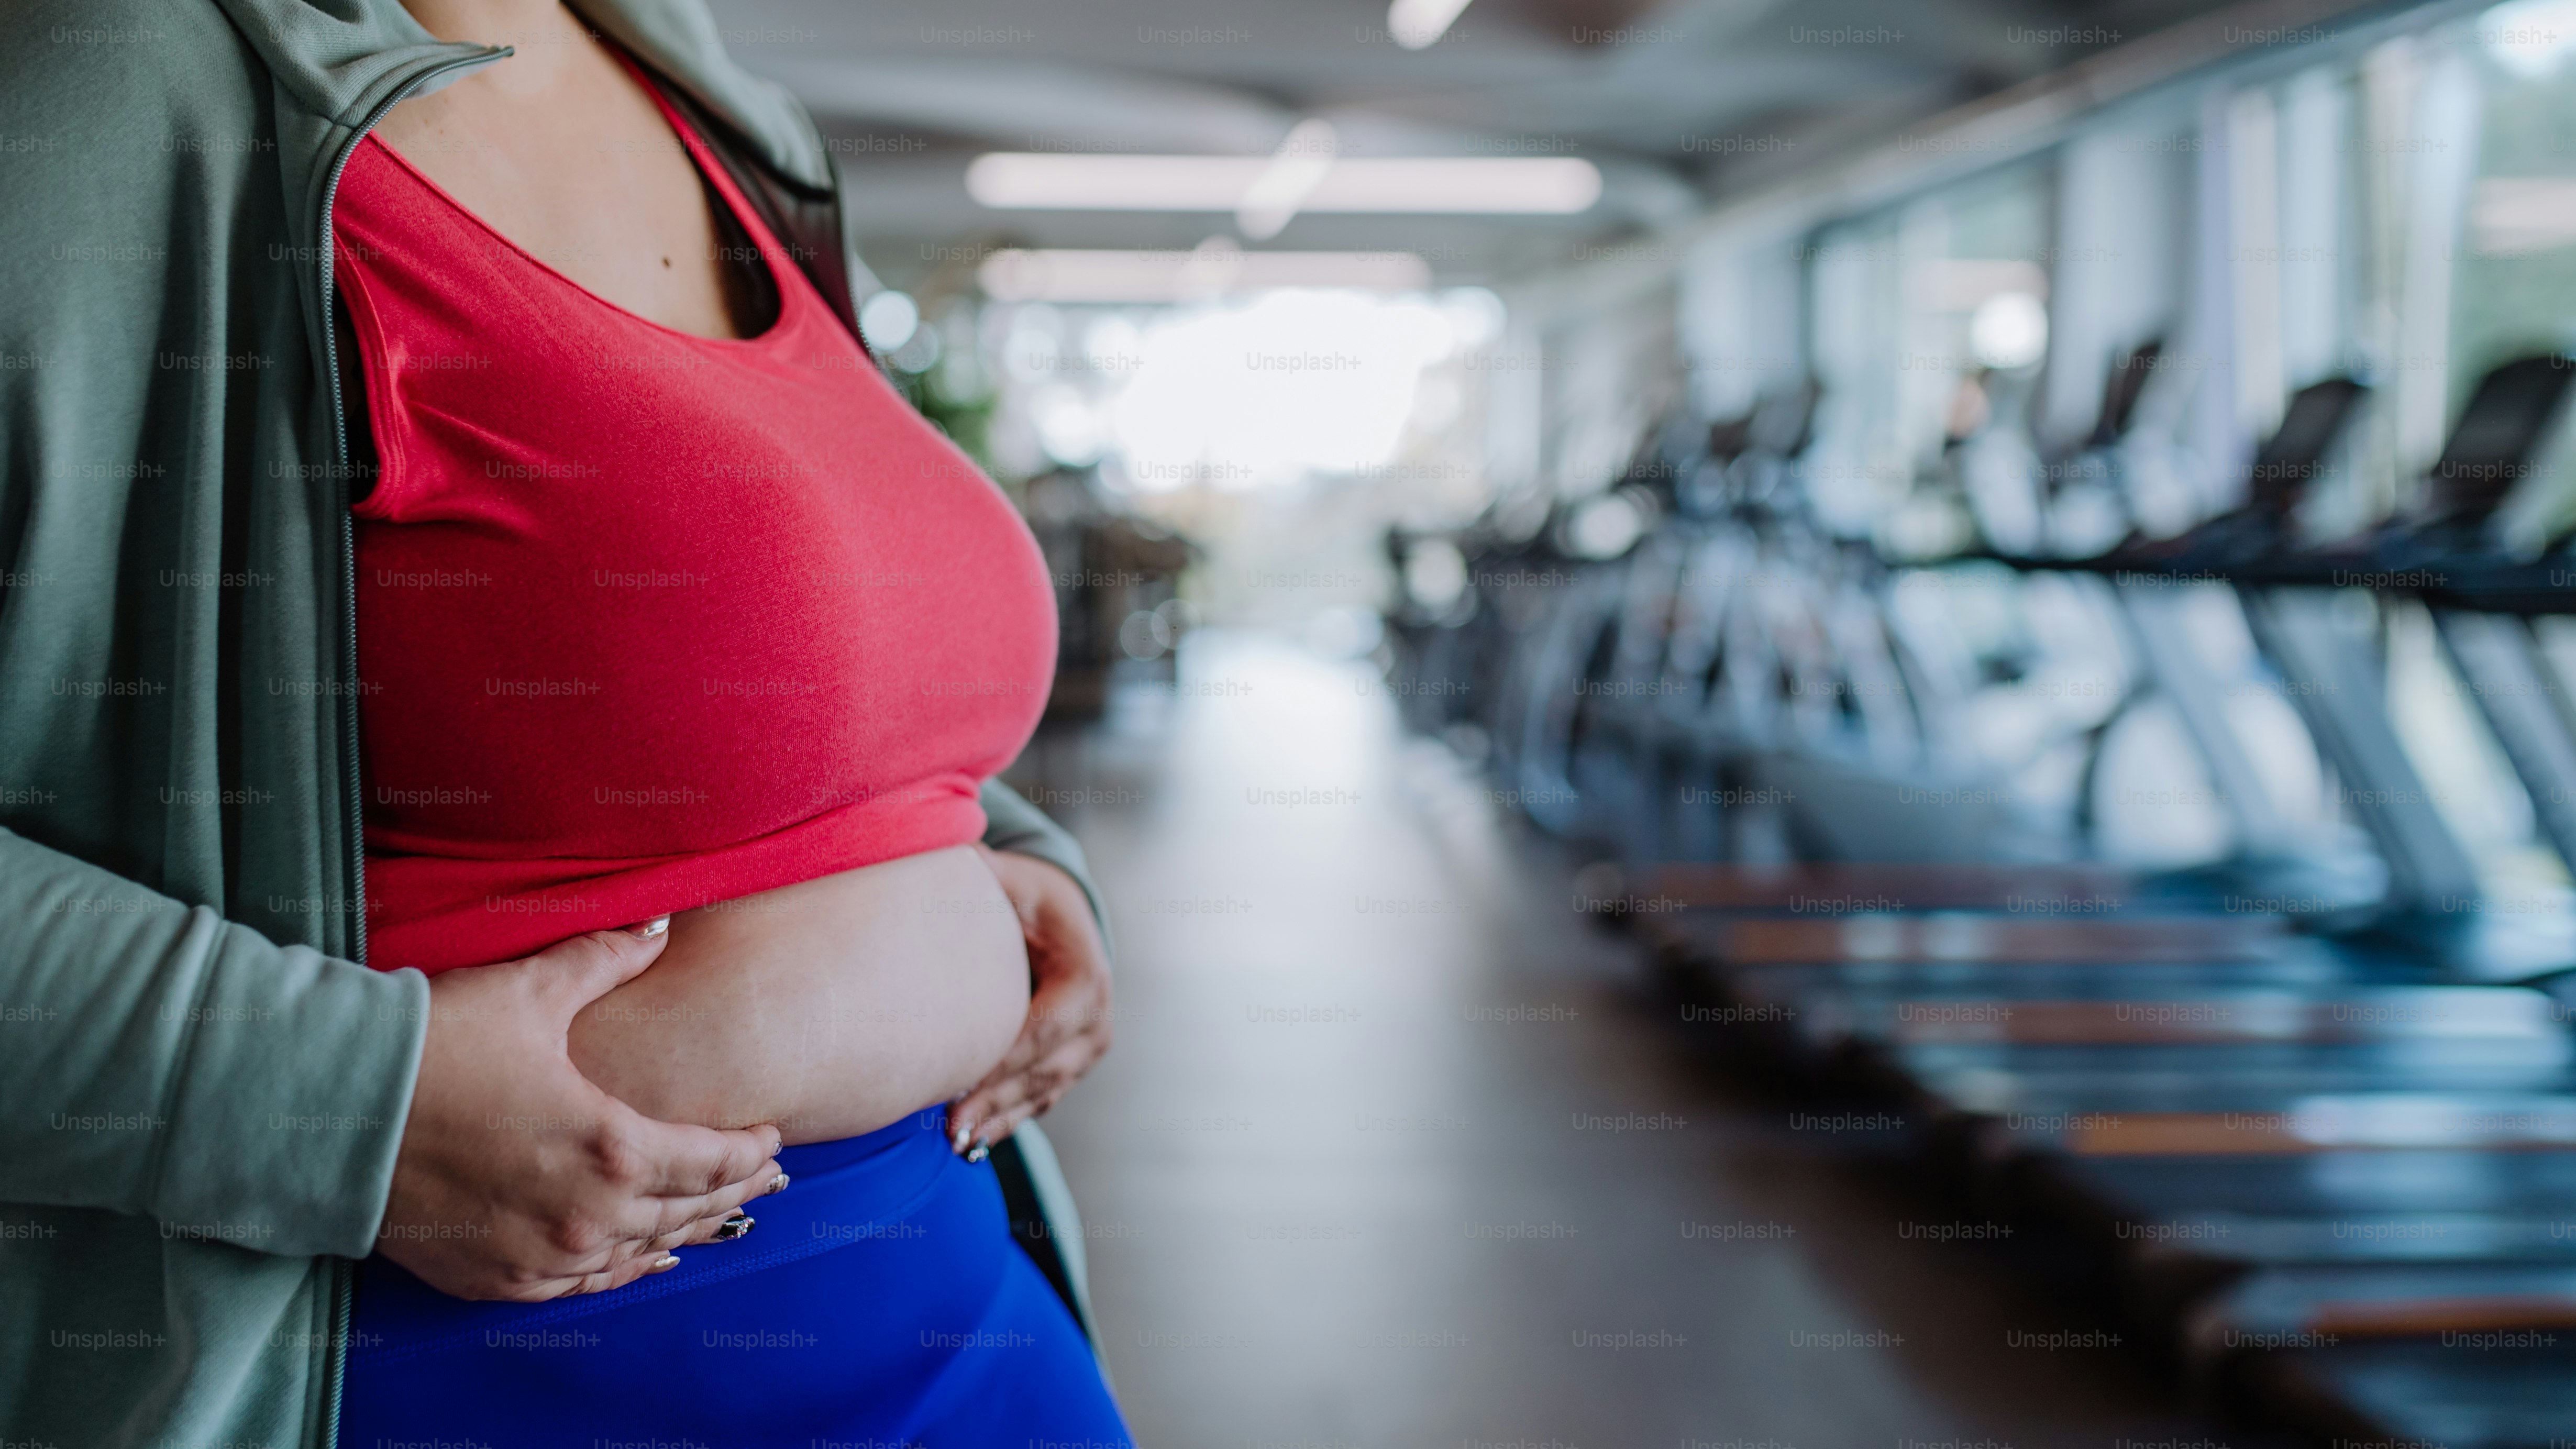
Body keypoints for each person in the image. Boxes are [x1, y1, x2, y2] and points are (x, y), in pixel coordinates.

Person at [0, 0, 1125, 1444]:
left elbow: (792, 661)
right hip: (478, 1368)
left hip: (957, 1311)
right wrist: (332, 1101)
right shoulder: (105, 72)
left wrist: (995, 859)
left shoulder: (717, 110)